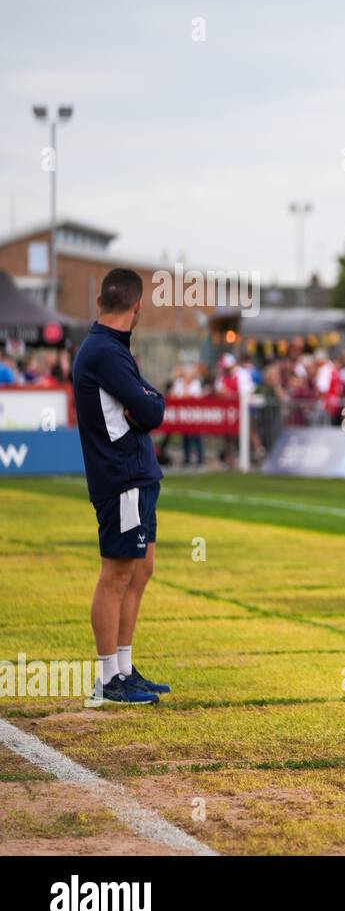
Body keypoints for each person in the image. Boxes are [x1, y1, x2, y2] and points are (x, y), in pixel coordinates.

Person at [69, 269, 172, 706]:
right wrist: (146, 404)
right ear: (137, 306)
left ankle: (124, 669)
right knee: (116, 574)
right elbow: (151, 408)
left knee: (140, 569)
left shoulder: (110, 349)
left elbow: (147, 405)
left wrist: (146, 404)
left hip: (136, 474)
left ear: (99, 301)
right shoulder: (104, 352)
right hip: (122, 477)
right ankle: (108, 677)